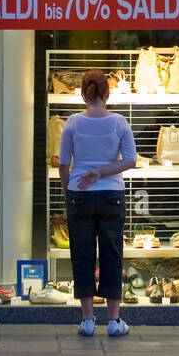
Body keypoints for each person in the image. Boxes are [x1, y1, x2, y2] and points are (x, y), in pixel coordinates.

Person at [56, 69, 138, 337]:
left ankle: (88, 320)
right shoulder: (119, 123)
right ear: (107, 92)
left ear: (83, 92)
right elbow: (130, 161)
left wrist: (69, 191)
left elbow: (64, 164)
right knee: (112, 253)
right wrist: (102, 172)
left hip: (79, 194)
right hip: (111, 195)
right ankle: (114, 321)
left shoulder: (72, 123)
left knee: (82, 254)